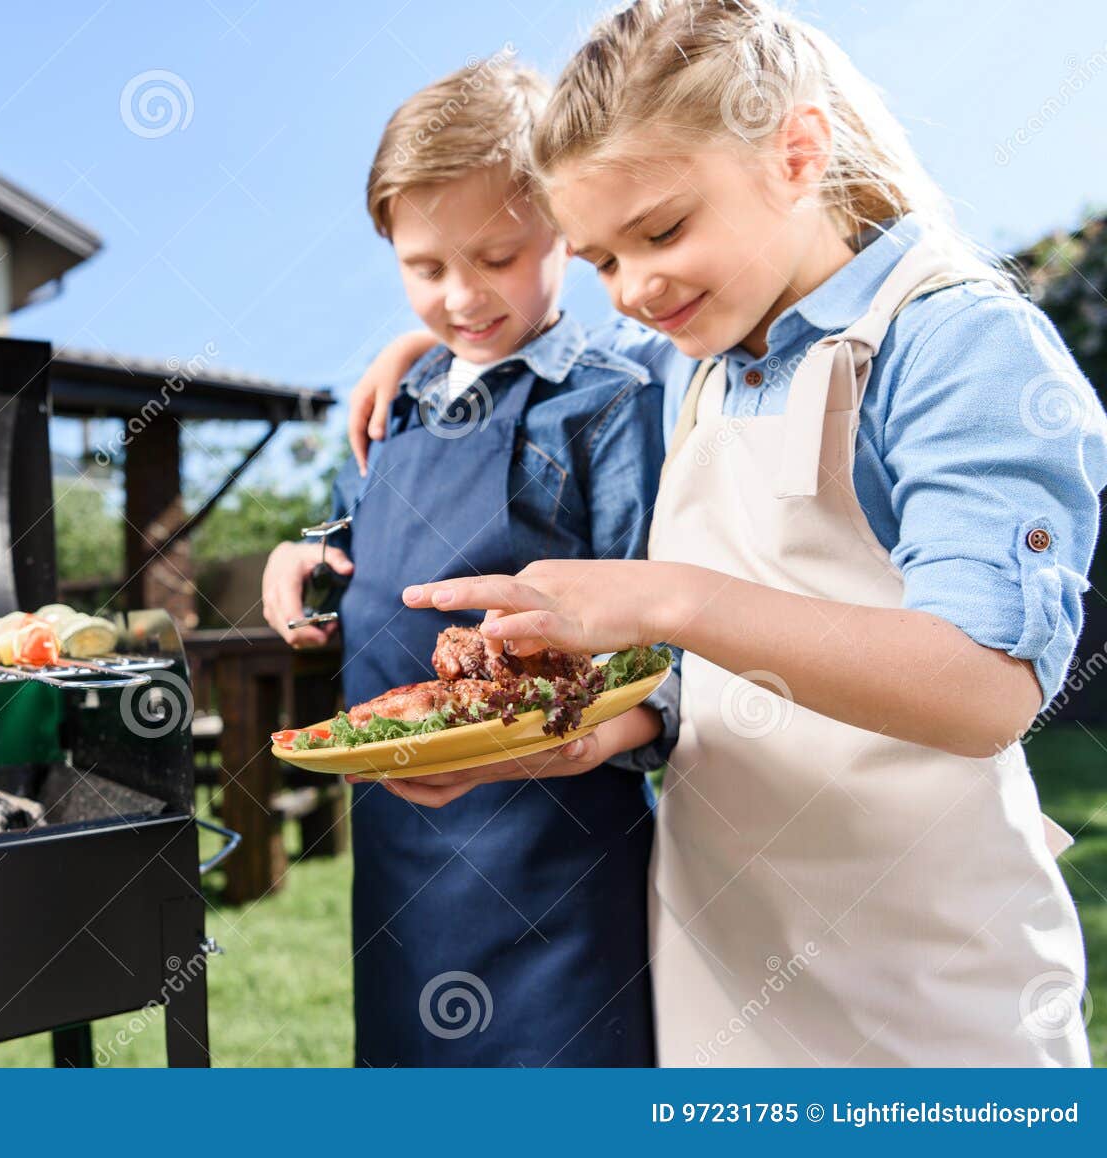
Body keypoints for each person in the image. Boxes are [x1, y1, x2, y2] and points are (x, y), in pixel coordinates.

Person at [353, 0, 1105, 1065]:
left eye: (661, 231)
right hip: (723, 971)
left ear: (797, 153)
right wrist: (437, 364)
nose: (635, 289)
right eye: (602, 258)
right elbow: (709, 688)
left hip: (927, 985)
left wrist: (667, 600)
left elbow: (983, 688)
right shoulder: (690, 359)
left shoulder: (954, 344)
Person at [261, 58, 676, 1066]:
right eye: (425, 268)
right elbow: (359, 530)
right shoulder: (395, 401)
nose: (459, 297)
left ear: (567, 235)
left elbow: (655, 633)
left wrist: (585, 737)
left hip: (555, 848)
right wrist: (306, 552)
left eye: (497, 255)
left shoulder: (608, 400)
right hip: (401, 855)